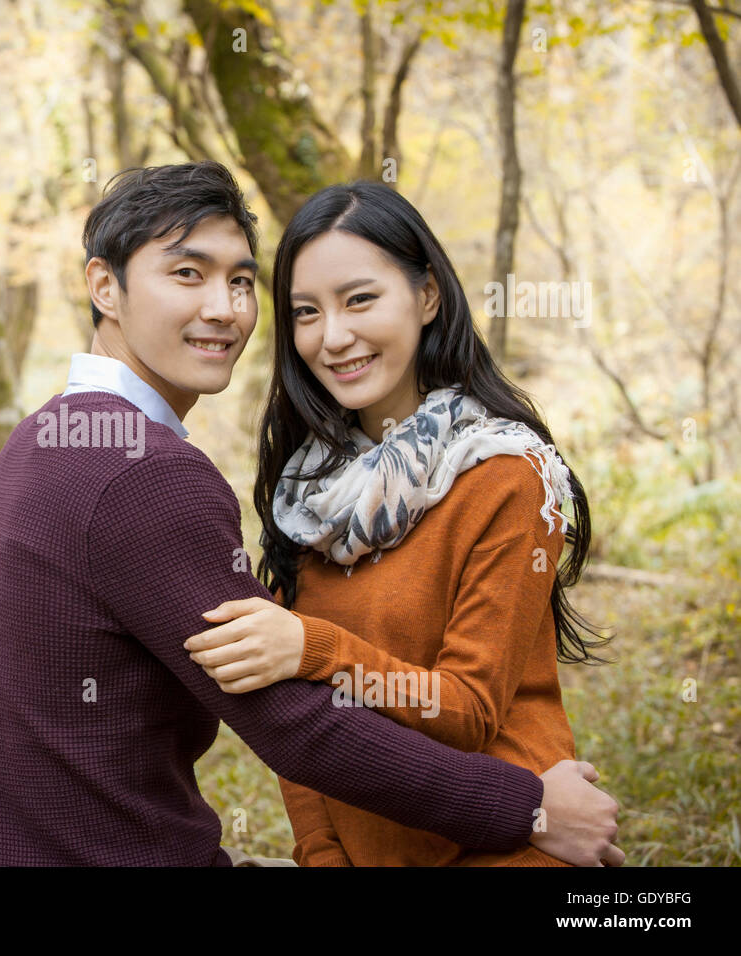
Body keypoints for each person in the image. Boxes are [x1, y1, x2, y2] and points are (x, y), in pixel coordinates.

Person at [0, 162, 622, 867]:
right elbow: (294, 724)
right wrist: (520, 807)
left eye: (239, 282)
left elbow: (337, 705)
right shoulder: (168, 476)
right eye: (187, 274)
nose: (225, 308)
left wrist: (523, 808)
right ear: (105, 287)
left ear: (428, 296)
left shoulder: (42, 436)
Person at [185, 180, 613, 865]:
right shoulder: (309, 492)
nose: (334, 337)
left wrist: (313, 648)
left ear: (427, 296)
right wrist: (322, 855)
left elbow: (469, 711)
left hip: (510, 839)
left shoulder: (503, 474)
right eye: (306, 312)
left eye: (360, 299)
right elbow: (296, 724)